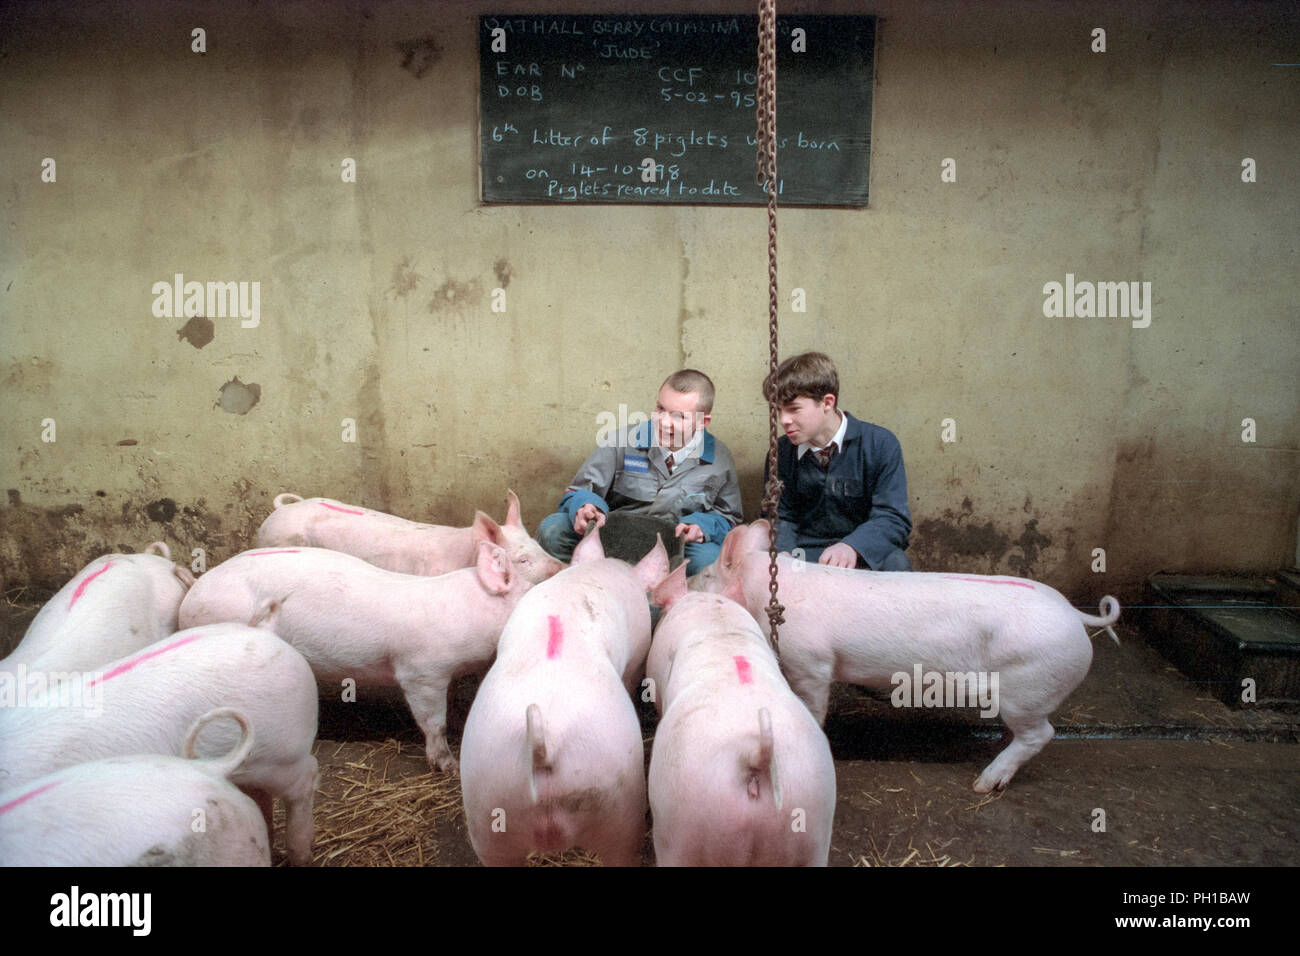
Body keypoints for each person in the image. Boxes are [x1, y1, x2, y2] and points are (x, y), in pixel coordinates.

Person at [537, 369, 743, 575]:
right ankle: (575, 589)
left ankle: (672, 603)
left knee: (710, 560)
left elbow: (729, 518)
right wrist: (585, 507)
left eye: (679, 416)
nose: (663, 422)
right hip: (613, 536)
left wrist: (701, 527)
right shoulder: (622, 441)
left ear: (702, 422)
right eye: (660, 408)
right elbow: (576, 491)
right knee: (553, 529)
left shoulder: (719, 459)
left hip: (675, 545)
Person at [762, 352, 913, 570]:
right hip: (806, 554)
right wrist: (784, 552)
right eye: (779, 411)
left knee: (896, 564)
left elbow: (893, 517)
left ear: (827, 402)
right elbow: (780, 516)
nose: (784, 420)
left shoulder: (880, 445)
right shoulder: (781, 453)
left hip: (865, 552)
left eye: (794, 409)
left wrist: (852, 546)